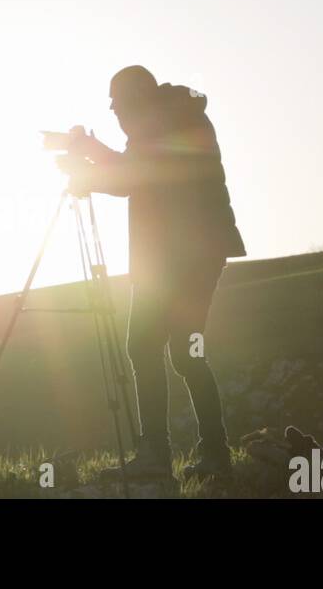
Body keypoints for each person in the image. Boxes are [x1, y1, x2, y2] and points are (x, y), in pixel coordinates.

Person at [56, 65, 246, 481]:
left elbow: (135, 174)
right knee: (186, 352)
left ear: (136, 100)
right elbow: (136, 166)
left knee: (144, 345)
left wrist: (86, 172)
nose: (118, 117)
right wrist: (92, 150)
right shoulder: (174, 114)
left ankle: (156, 457)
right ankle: (213, 455)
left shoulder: (164, 120)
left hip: (175, 256)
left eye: (119, 108)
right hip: (197, 252)